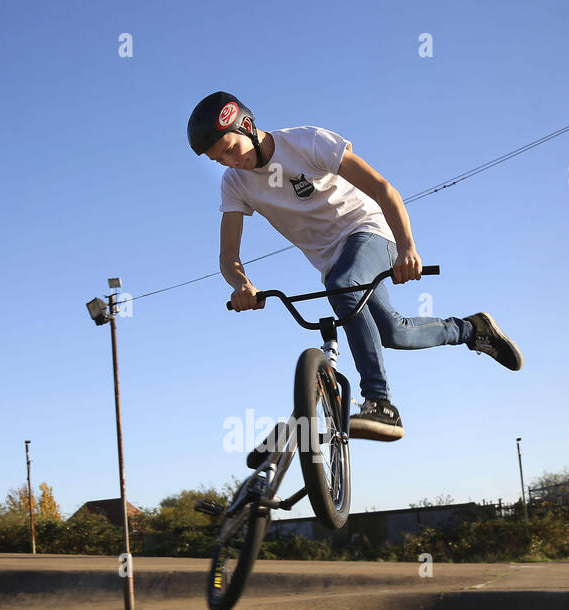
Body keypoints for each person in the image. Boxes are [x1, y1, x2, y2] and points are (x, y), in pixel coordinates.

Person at [188, 91, 523, 441]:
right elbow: (228, 256)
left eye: (230, 150)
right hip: (334, 264)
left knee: (342, 286)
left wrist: (408, 246)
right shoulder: (235, 183)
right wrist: (241, 285)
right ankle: (473, 330)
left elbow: (382, 188)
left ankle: (380, 403)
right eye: (218, 160)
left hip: (370, 232)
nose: (229, 162)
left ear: (247, 126)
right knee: (394, 333)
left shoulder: (307, 143)